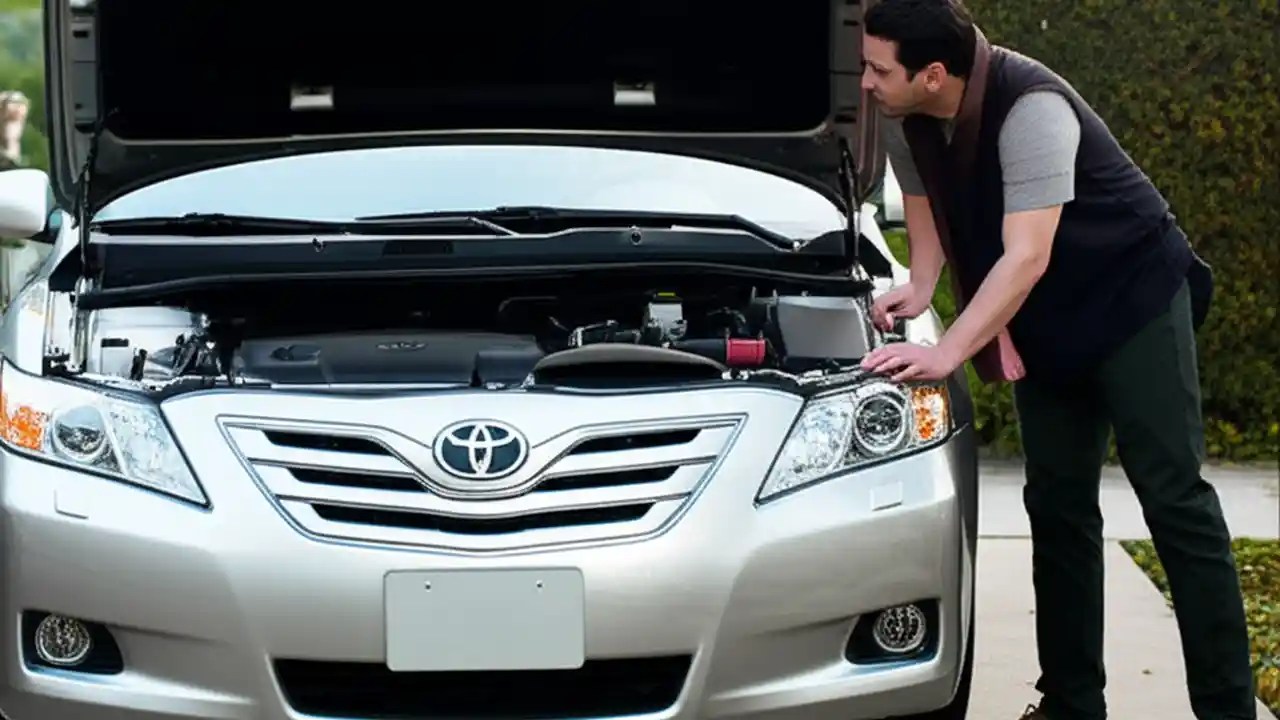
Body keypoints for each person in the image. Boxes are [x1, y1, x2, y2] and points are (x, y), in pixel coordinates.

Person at [855, 1, 1257, 719]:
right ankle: (1072, 703)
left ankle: (1226, 709)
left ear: (934, 74)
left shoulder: (1031, 106)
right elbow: (925, 204)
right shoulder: (904, 114)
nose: (864, 82)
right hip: (1046, 320)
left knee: (1175, 502)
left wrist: (948, 351)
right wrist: (919, 286)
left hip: (1131, 302)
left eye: (878, 68)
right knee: (1058, 505)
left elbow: (1026, 256)